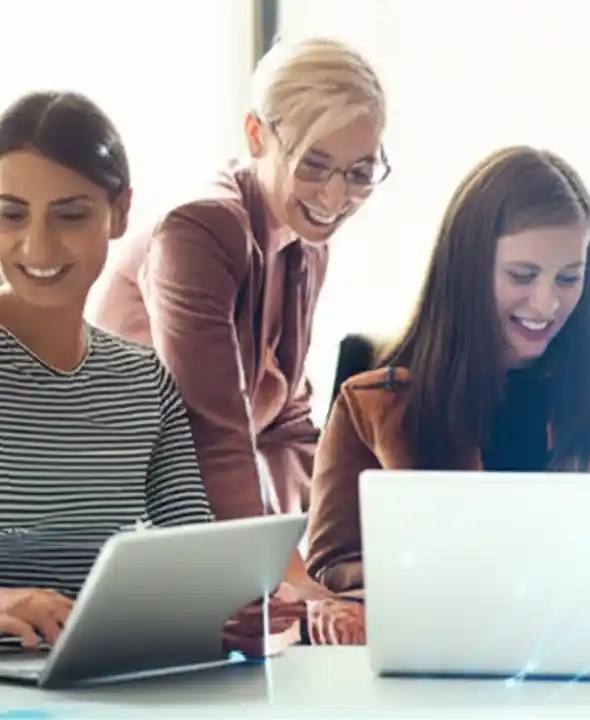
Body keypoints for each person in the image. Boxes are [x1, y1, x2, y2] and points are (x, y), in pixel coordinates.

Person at [303, 146, 590, 645]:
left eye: (569, 278)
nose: (547, 303)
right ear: (467, 270)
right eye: (522, 276)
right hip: (433, 673)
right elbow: (325, 577)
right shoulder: (371, 406)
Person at [92, 37, 389, 597]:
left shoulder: (306, 243)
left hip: (204, 530)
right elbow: (212, 431)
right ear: (257, 135)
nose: (335, 195)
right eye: (314, 164)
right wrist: (287, 577)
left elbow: (286, 428)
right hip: (122, 528)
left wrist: (331, 554)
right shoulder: (200, 230)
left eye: (360, 172)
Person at [0, 91, 213, 646]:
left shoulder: (143, 380)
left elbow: (195, 554)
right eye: (9, 214)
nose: (36, 245)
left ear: (120, 214)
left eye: (70, 215)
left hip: (102, 675)